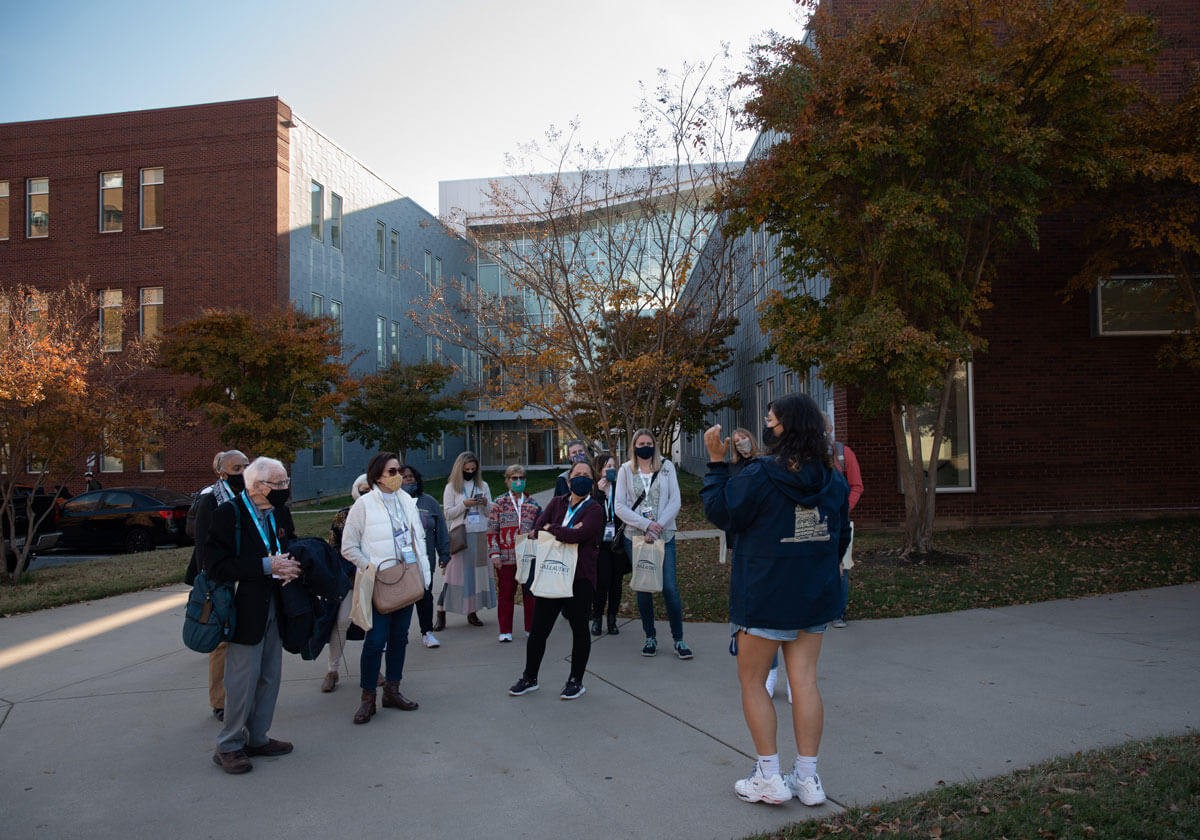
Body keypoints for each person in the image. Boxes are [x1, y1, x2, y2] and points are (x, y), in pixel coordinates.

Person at [700, 393, 850, 806]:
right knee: (804, 682)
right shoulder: (831, 477)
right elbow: (841, 535)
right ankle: (807, 777)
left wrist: (715, 463)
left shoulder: (761, 475)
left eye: (770, 419)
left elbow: (721, 511)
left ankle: (769, 775)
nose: (766, 425)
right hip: (813, 596)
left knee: (752, 682)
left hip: (764, 594)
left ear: (784, 427)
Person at [207, 456, 299, 774]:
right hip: (243, 607)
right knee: (242, 680)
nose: (285, 489)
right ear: (258, 487)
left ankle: (258, 738)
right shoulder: (227, 514)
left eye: (286, 482)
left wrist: (293, 564)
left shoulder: (280, 511)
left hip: (277, 602)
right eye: (280, 483)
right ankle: (229, 746)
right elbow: (215, 566)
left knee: (270, 675)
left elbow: (291, 544)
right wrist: (265, 566)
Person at [340, 452, 429, 725]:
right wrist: (372, 568)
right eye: (392, 472)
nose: (398, 477)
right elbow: (348, 547)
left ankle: (393, 689)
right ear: (377, 476)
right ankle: (368, 698)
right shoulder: (364, 505)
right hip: (380, 582)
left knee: (400, 638)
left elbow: (418, 539)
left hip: (407, 578)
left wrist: (424, 575)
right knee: (376, 641)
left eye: (398, 471)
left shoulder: (407, 502)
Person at [508, 459, 604, 700]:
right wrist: (559, 530)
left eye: (586, 474)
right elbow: (538, 530)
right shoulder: (555, 503)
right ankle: (529, 677)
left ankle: (575, 681)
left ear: (591, 483)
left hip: (579, 578)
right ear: (569, 480)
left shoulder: (595, 509)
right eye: (577, 474)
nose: (581, 477)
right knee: (539, 630)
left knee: (579, 630)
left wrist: (556, 529)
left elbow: (582, 534)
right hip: (551, 573)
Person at [613, 428, 691, 659]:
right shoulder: (625, 470)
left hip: (664, 536)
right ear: (634, 446)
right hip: (635, 537)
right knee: (644, 587)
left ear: (654, 445)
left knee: (669, 588)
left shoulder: (666, 467)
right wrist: (646, 526)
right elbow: (619, 506)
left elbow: (675, 501)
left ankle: (679, 639)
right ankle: (650, 637)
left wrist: (657, 526)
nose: (644, 446)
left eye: (648, 442)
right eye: (640, 443)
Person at [184, 449, 250, 721]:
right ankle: (220, 702)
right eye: (238, 468)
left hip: (245, 576)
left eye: (247, 466)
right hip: (220, 580)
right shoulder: (210, 500)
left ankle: (244, 693)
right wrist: (210, 585)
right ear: (222, 472)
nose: (244, 472)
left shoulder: (250, 498)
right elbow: (203, 546)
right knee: (221, 643)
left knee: (243, 640)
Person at [320, 473, 370, 693]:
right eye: (362, 489)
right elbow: (333, 549)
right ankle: (332, 669)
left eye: (370, 488)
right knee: (341, 621)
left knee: (374, 625)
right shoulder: (343, 516)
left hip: (375, 579)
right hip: (349, 578)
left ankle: (373, 668)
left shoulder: (380, 515)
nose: (365, 493)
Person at [437, 451, 495, 629]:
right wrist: (464, 504)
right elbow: (447, 513)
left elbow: (490, 512)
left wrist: (485, 503)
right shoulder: (452, 487)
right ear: (459, 468)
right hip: (461, 535)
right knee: (454, 575)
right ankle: (441, 612)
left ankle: (472, 611)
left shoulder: (482, 485)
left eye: (473, 468)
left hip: (480, 533)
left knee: (476, 575)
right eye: (466, 468)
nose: (470, 471)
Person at [487, 464, 542, 642]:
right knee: (506, 593)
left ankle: (531, 628)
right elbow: (491, 530)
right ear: (507, 481)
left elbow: (540, 529)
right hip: (506, 557)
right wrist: (494, 554)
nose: (518, 482)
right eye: (514, 478)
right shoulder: (499, 503)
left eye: (521, 478)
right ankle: (505, 630)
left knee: (530, 595)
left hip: (527, 557)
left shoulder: (533, 504)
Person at [399, 464, 450, 649]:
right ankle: (398, 635)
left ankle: (427, 633)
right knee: (401, 599)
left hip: (424, 559)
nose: (408, 480)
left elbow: (441, 530)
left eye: (411, 476)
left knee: (424, 596)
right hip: (401, 561)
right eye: (403, 477)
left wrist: (444, 553)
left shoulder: (428, 502)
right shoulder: (394, 503)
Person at [824, 413, 863, 629]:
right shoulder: (805, 454)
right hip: (813, 522)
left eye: (824, 427)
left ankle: (838, 612)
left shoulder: (843, 453)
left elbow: (856, 485)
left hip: (840, 522)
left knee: (841, 567)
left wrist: (844, 509)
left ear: (830, 429)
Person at [590, 452, 628, 637]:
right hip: (601, 545)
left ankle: (612, 619)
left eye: (613, 466)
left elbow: (624, 513)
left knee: (616, 583)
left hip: (618, 543)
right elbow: (592, 515)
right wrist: (599, 494)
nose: (611, 469)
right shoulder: (593, 491)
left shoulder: (621, 488)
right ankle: (597, 618)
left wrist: (610, 494)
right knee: (601, 582)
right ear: (599, 470)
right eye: (607, 467)